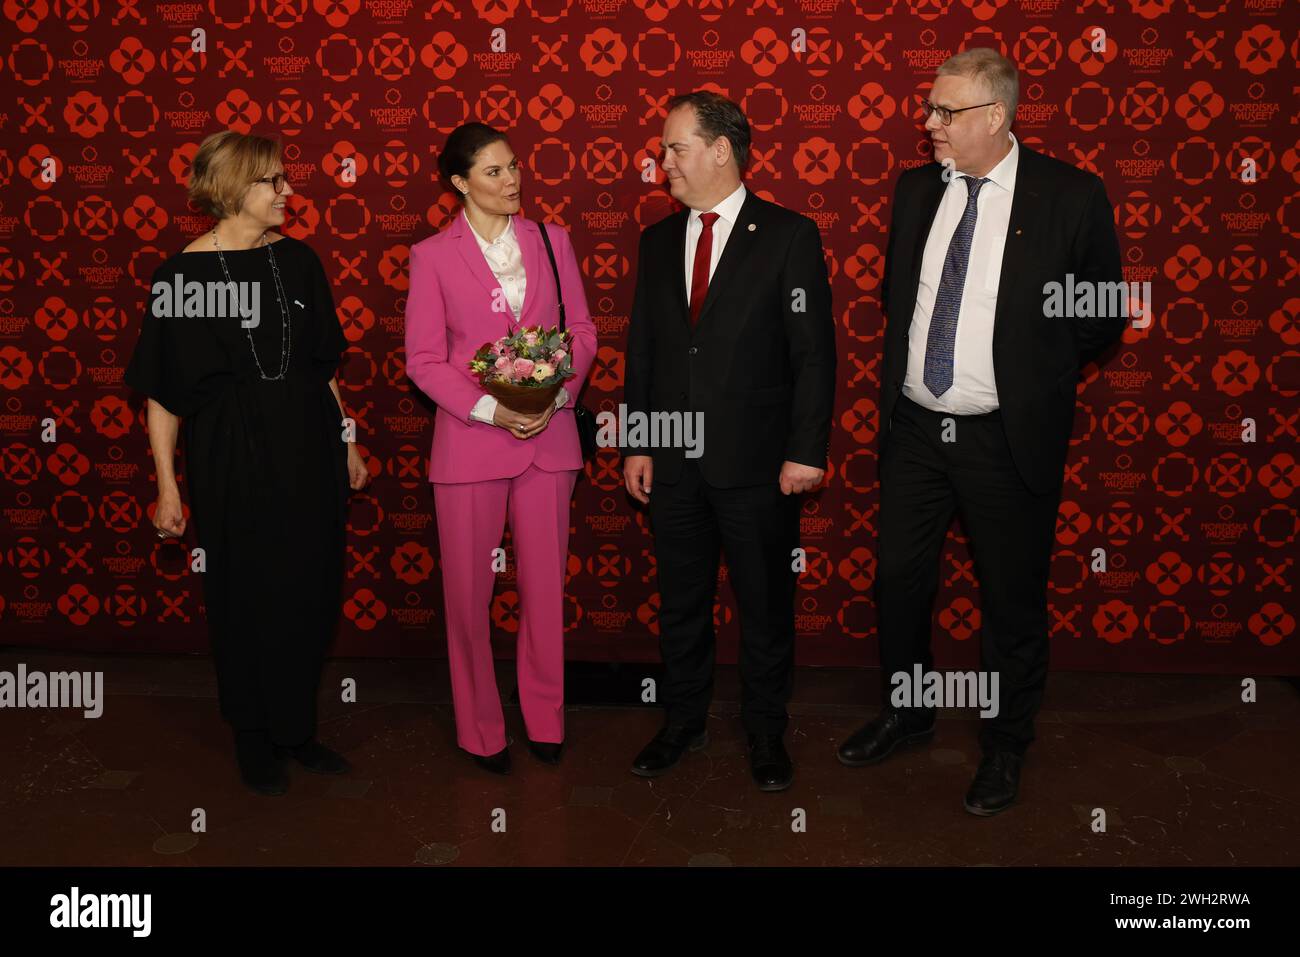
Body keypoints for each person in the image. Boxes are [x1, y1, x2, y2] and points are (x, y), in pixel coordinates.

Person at [837, 48, 1127, 815]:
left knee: (1011, 599)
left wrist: (1032, 366)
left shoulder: (1070, 195)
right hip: (915, 432)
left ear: (994, 117)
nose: (928, 123)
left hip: (1006, 439)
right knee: (898, 584)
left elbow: (1102, 315)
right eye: (928, 108)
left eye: (944, 112)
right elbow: (904, 297)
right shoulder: (913, 191)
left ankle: (1006, 744)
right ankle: (908, 709)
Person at [124, 130, 370, 796]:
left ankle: (296, 728)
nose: (287, 190)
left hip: (310, 448)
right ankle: (253, 735)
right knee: (245, 596)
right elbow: (164, 395)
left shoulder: (299, 262)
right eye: (273, 181)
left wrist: (346, 440)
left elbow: (324, 368)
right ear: (233, 188)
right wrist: (167, 488)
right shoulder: (181, 277)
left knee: (311, 591)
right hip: (229, 455)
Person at [621, 92, 836, 792]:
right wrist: (639, 441)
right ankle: (682, 722)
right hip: (675, 464)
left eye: (675, 148)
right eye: (663, 150)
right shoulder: (656, 241)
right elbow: (647, 351)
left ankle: (766, 732)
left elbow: (813, 355)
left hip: (757, 467)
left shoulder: (788, 236)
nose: (663, 163)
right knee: (681, 600)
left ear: (721, 150)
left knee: (765, 604)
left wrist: (806, 450)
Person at [405, 122, 597, 775]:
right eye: (493, 171)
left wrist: (554, 398)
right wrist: (494, 408)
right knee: (467, 594)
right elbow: (425, 361)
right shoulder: (432, 256)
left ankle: (545, 719)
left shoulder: (554, 240)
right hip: (469, 446)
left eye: (513, 166)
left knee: (544, 591)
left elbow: (583, 331)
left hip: (550, 442)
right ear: (459, 182)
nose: (511, 179)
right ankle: (481, 728)